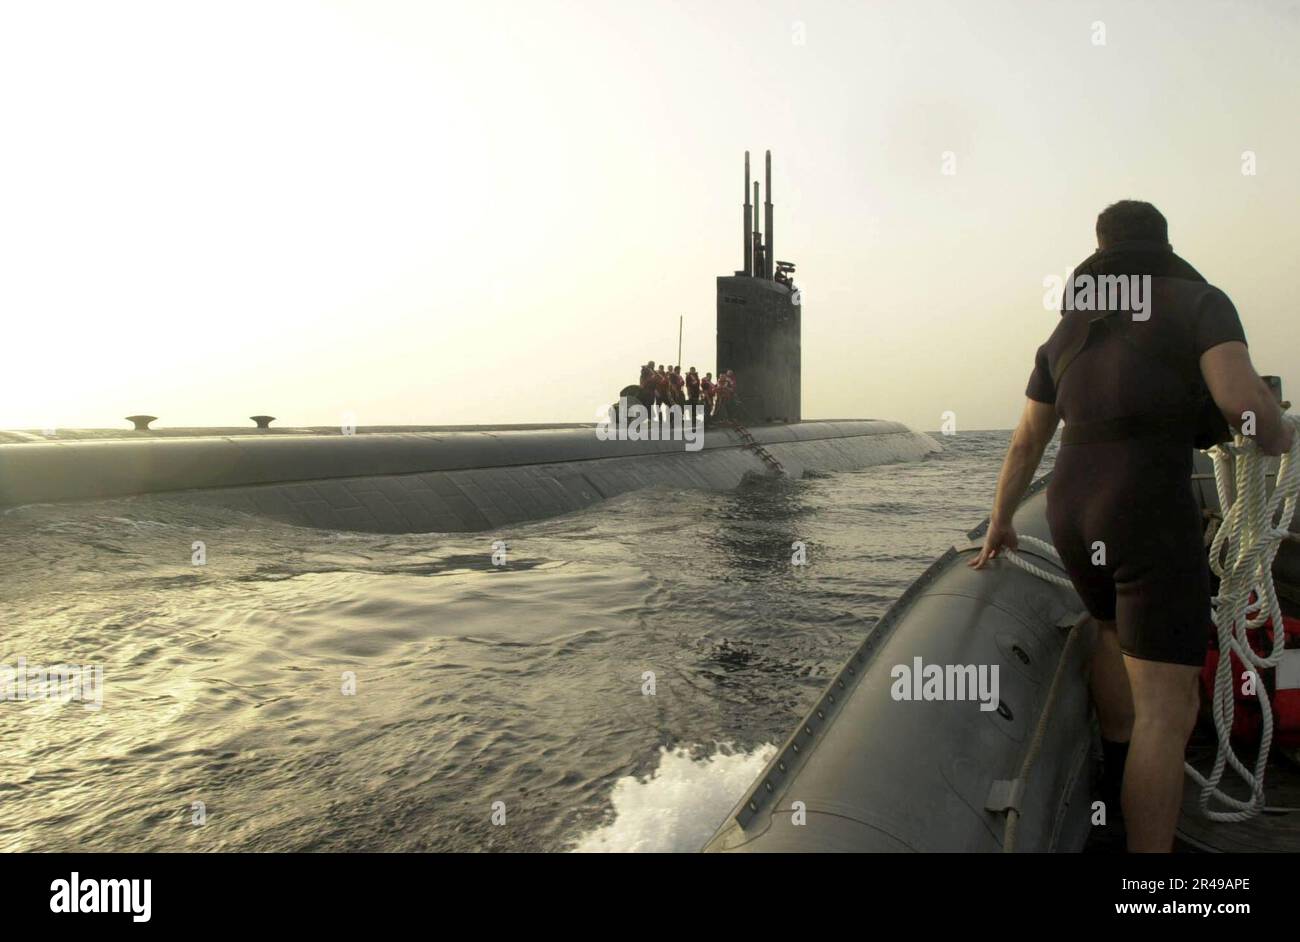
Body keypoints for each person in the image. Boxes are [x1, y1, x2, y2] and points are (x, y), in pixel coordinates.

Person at [969, 200, 1293, 853]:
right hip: (1146, 509)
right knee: (1168, 712)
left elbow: (1027, 440)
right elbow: (1241, 404)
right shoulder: (1200, 302)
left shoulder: (1067, 330)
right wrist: (1279, 430)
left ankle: (1117, 776)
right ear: (1163, 243)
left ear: (1101, 249)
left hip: (1073, 508)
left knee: (1112, 630)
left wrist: (1001, 519)